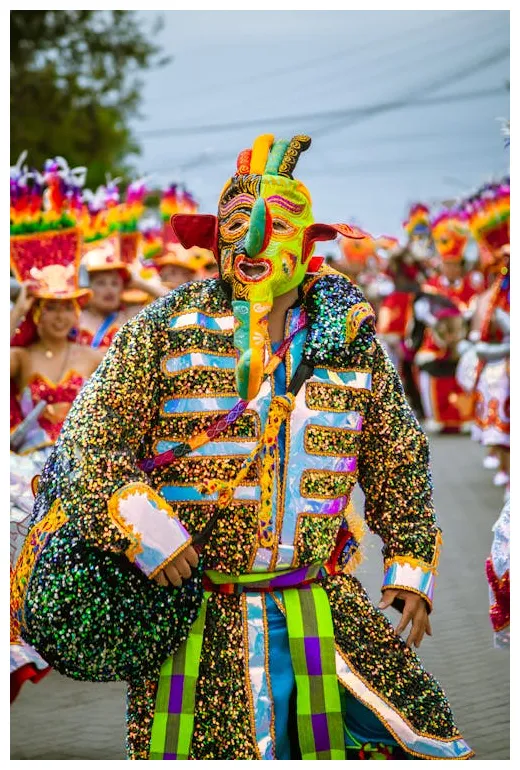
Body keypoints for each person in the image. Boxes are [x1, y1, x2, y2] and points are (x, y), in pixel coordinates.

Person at [16, 134, 472, 760]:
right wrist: (142, 524)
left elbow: (398, 458)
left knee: (416, 742)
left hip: (322, 609)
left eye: (275, 226)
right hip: (193, 619)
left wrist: (411, 566)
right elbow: (88, 442)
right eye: (236, 227)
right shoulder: (162, 327)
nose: (253, 242)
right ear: (216, 240)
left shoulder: (351, 340)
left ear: (308, 242)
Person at [10, 165, 103, 701]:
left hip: (83, 464)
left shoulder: (93, 356)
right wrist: (17, 307)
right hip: (29, 470)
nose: (61, 314)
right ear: (39, 311)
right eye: (51, 306)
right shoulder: (20, 357)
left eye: (69, 305)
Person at [415, 210, 482, 434]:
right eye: (447, 263)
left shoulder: (471, 288)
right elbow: (422, 311)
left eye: (454, 264)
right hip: (435, 344)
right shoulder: (431, 287)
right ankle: (434, 416)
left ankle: (466, 417)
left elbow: (474, 311)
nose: (451, 268)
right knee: (426, 367)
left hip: (462, 344)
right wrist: (438, 322)